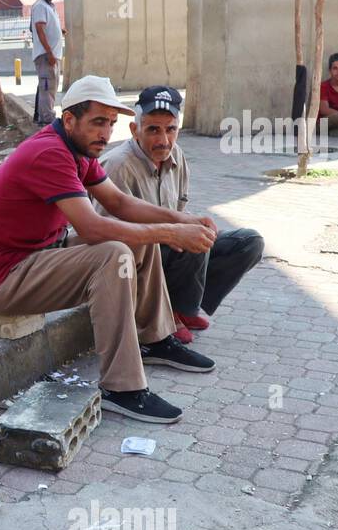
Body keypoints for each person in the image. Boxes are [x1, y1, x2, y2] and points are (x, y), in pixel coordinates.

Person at [0, 75, 216, 425]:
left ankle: (155, 339)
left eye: (111, 123)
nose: (105, 133)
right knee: (112, 254)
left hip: (40, 258)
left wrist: (182, 219)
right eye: (98, 122)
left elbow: (118, 202)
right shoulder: (49, 153)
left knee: (134, 240)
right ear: (69, 119)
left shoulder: (78, 150)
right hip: (5, 280)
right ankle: (122, 388)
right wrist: (171, 233)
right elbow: (93, 227)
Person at [99, 86, 264, 345]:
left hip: (170, 249)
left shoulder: (176, 155)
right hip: (136, 260)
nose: (163, 140)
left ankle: (185, 307)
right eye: (153, 129)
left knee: (249, 243)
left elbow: (179, 211)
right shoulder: (117, 165)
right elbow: (106, 234)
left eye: (171, 129)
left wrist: (191, 224)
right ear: (134, 130)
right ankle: (167, 312)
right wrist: (170, 233)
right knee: (190, 243)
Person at [31, 0, 64, 124]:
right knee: (47, 87)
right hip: (46, 55)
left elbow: (47, 28)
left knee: (50, 87)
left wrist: (59, 32)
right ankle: (47, 120)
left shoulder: (50, 7)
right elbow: (39, 29)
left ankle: (42, 117)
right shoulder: (40, 6)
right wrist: (49, 52)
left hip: (52, 55)